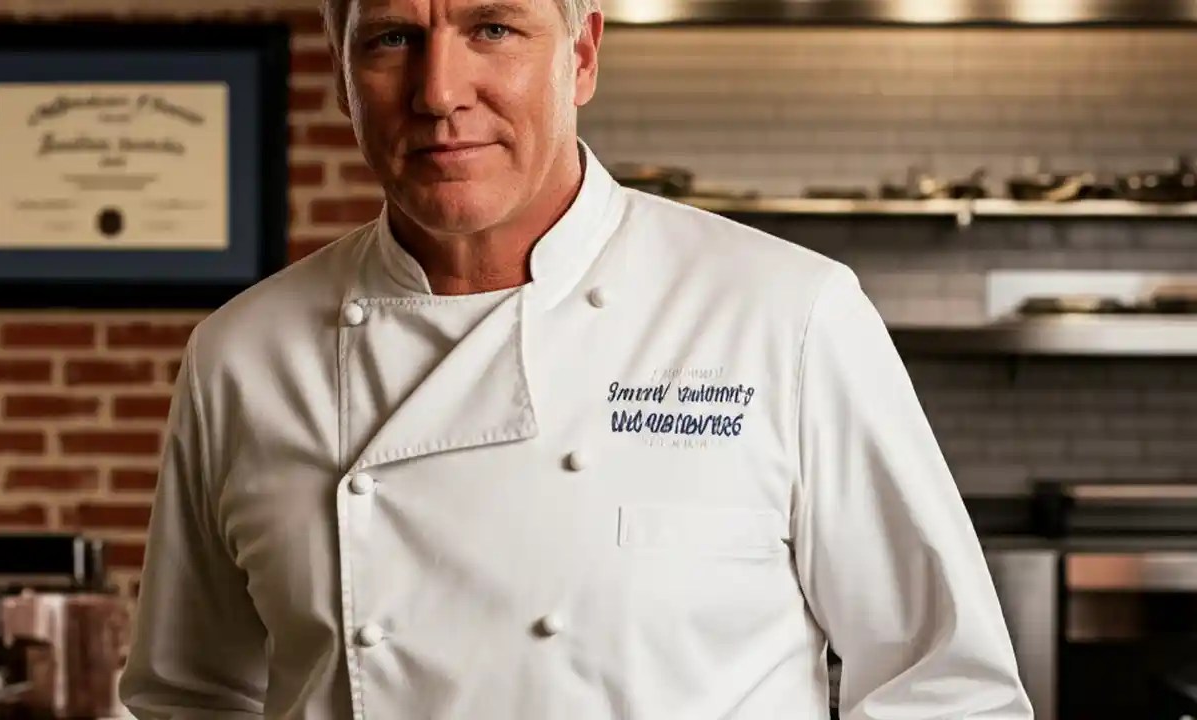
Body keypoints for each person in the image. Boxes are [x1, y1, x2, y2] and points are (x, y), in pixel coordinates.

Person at [119, 0, 1035, 717]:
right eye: (392, 38)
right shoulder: (242, 355)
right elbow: (190, 698)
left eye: (493, 29)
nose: (439, 91)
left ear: (583, 54)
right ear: (342, 71)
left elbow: (945, 687)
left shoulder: (783, 312)